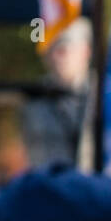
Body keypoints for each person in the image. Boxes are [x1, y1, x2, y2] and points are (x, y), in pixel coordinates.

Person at [22, 17, 95, 172]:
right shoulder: (34, 98)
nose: (56, 56)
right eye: (50, 48)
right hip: (49, 187)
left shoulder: (106, 96)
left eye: (63, 49)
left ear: (85, 51)